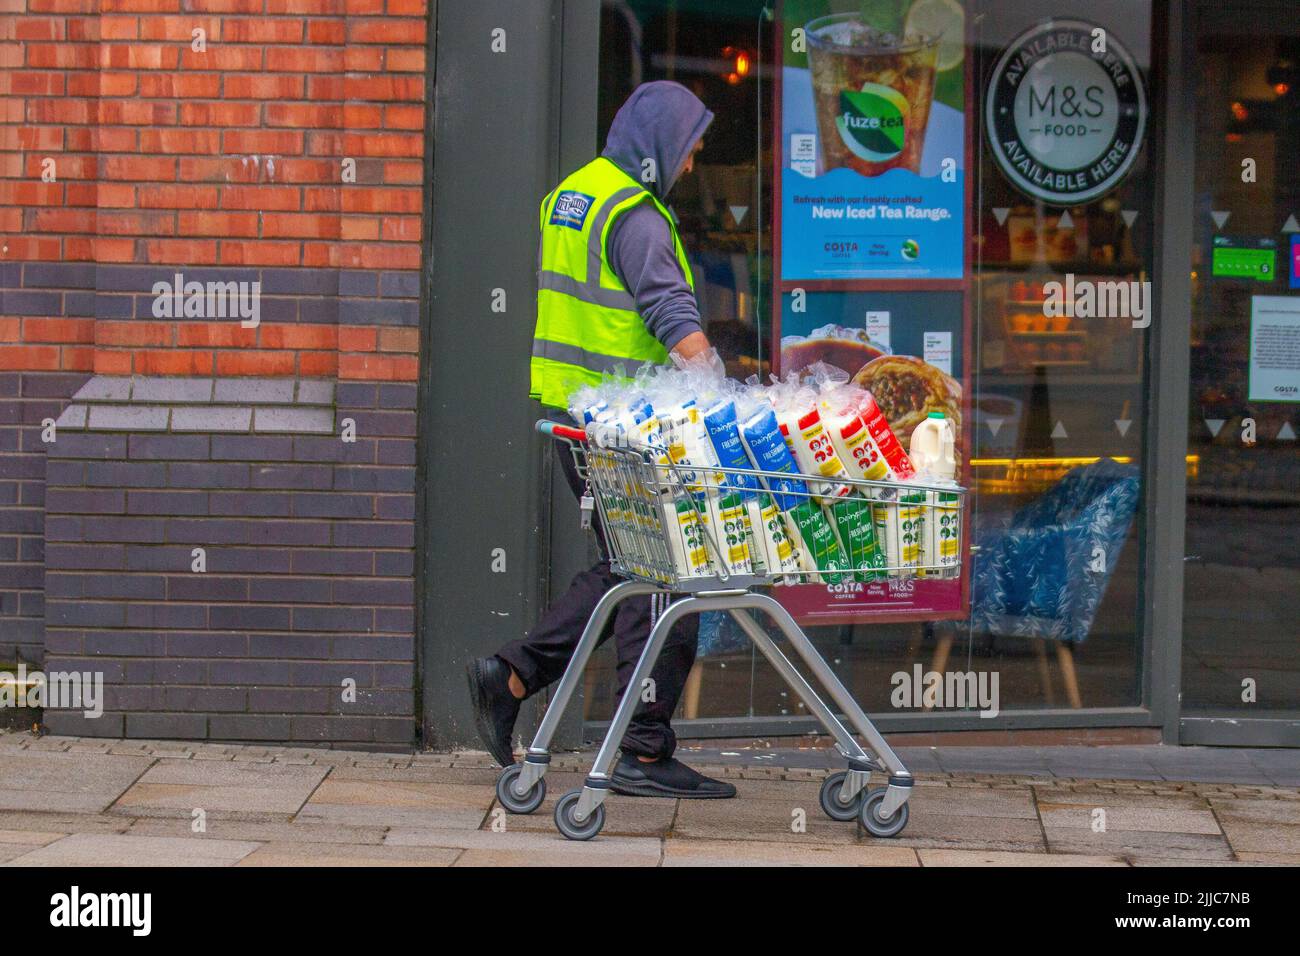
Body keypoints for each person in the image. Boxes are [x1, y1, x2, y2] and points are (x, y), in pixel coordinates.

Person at [466, 81, 735, 799]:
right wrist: (719, 392)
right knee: (660, 572)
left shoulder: (575, 194)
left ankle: (516, 674)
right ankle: (638, 749)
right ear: (657, 145)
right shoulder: (635, 215)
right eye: (688, 147)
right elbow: (668, 308)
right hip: (626, 430)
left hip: (576, 418)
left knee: (633, 567)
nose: (691, 161)